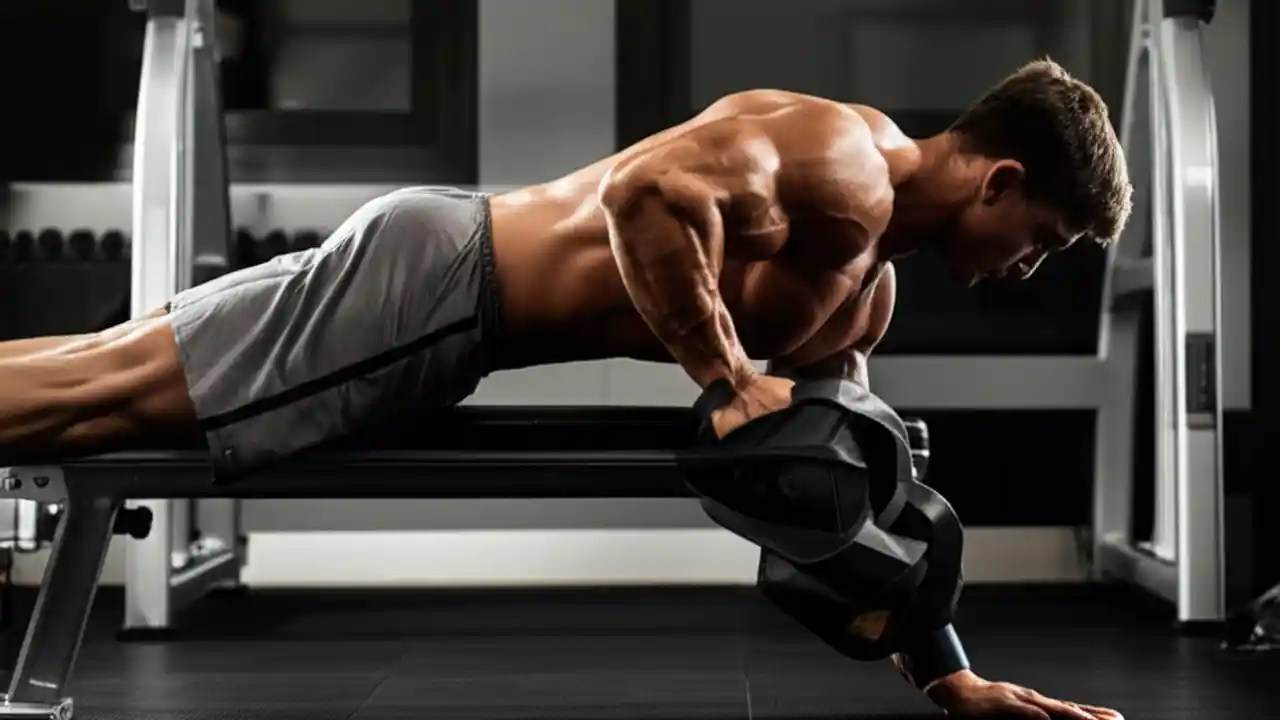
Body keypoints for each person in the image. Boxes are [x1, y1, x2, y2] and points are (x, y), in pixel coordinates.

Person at [1, 59, 1129, 718]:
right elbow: (646, 192)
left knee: (105, 369)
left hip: (440, 267)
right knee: (104, 410)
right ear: (1000, 179)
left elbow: (840, 490)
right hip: (444, 293)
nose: (1026, 268)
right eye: (1042, 240)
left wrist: (949, 681)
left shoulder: (862, 294)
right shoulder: (845, 165)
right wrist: (726, 374)